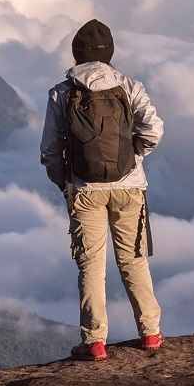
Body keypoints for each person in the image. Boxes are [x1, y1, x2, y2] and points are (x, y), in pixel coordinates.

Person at [40, 19, 165, 361]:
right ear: (109, 52)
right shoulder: (128, 86)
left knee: (91, 265)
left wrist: (65, 182)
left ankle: (95, 342)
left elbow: (50, 150)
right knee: (133, 261)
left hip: (84, 190)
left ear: (77, 54)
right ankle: (151, 334)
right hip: (130, 188)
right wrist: (134, 153)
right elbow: (154, 129)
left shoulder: (62, 92)